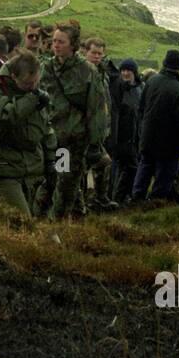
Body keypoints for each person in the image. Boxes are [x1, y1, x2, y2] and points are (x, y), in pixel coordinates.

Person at [38, 23, 108, 219]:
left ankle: (60, 225)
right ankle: (60, 220)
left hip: (74, 140)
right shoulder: (47, 67)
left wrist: (95, 143)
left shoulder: (87, 71)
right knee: (57, 181)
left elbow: (97, 109)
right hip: (53, 138)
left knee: (67, 183)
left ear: (73, 45)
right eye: (54, 42)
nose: (56, 45)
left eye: (61, 42)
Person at [0, 50, 55, 217]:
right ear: (13, 76)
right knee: (22, 222)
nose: (33, 87)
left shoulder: (35, 92)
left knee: (38, 219)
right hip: (5, 171)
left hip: (33, 170)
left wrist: (53, 163)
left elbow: (46, 129)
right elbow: (5, 116)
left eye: (36, 82)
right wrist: (32, 98)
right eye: (28, 83)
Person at [130, 49, 179, 204]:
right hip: (168, 143)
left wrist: (142, 131)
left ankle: (136, 201)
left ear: (165, 63)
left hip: (147, 137)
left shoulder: (151, 81)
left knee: (144, 169)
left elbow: (141, 108)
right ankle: (155, 205)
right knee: (164, 176)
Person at [82, 37, 119, 211]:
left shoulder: (102, 74)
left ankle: (98, 198)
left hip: (95, 132)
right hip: (72, 134)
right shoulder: (80, 73)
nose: (97, 56)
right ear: (85, 52)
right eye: (93, 53)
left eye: (99, 53)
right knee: (67, 171)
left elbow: (105, 103)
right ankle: (76, 204)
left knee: (104, 163)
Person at [112, 58, 142, 204]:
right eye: (123, 70)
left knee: (128, 168)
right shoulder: (118, 88)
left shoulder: (139, 88)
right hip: (121, 137)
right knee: (129, 167)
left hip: (135, 136)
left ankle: (121, 197)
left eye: (128, 70)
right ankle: (119, 197)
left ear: (134, 72)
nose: (125, 73)